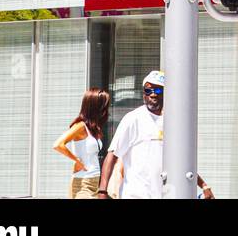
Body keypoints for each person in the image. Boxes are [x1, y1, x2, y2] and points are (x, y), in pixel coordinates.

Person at [97, 71, 213, 200]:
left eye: (158, 90)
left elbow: (181, 162)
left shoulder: (173, 122)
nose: (152, 94)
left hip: (165, 194)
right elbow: (112, 155)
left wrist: (203, 185)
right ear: (143, 93)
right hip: (135, 194)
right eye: (148, 90)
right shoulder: (133, 119)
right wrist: (102, 191)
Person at [53, 88, 111, 199]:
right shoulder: (80, 126)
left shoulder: (93, 128)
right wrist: (77, 161)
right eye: (104, 106)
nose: (106, 109)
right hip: (83, 182)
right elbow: (58, 144)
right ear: (95, 107)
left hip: (94, 181)